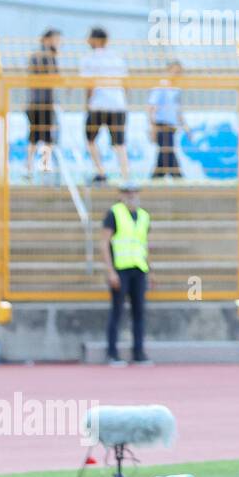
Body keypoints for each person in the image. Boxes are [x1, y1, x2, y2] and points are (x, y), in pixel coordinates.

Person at [99, 183, 150, 367]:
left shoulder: (144, 216)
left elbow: (143, 244)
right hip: (120, 269)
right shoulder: (114, 213)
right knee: (117, 312)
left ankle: (138, 352)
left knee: (139, 313)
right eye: (128, 192)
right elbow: (104, 243)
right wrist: (110, 271)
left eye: (135, 192)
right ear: (121, 195)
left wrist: (149, 270)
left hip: (139, 268)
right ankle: (112, 353)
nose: (132, 195)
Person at [80, 27, 130, 185]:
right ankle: (125, 176)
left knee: (90, 139)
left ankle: (101, 172)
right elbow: (126, 83)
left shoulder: (89, 59)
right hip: (118, 104)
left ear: (96, 40)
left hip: (99, 104)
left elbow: (89, 85)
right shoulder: (117, 57)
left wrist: (87, 103)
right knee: (119, 143)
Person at [26, 28, 60, 181]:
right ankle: (30, 167)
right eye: (55, 39)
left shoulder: (51, 56)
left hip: (45, 102)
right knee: (35, 137)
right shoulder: (40, 56)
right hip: (38, 102)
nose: (57, 43)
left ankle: (43, 166)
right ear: (47, 39)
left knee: (46, 137)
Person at [147, 59, 187, 179]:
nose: (177, 74)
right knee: (167, 150)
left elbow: (177, 110)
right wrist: (152, 127)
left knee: (165, 152)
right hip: (161, 125)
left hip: (171, 126)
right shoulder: (161, 86)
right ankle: (177, 176)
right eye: (175, 71)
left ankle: (158, 176)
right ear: (168, 70)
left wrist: (184, 126)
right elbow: (151, 107)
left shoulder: (177, 88)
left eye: (179, 72)